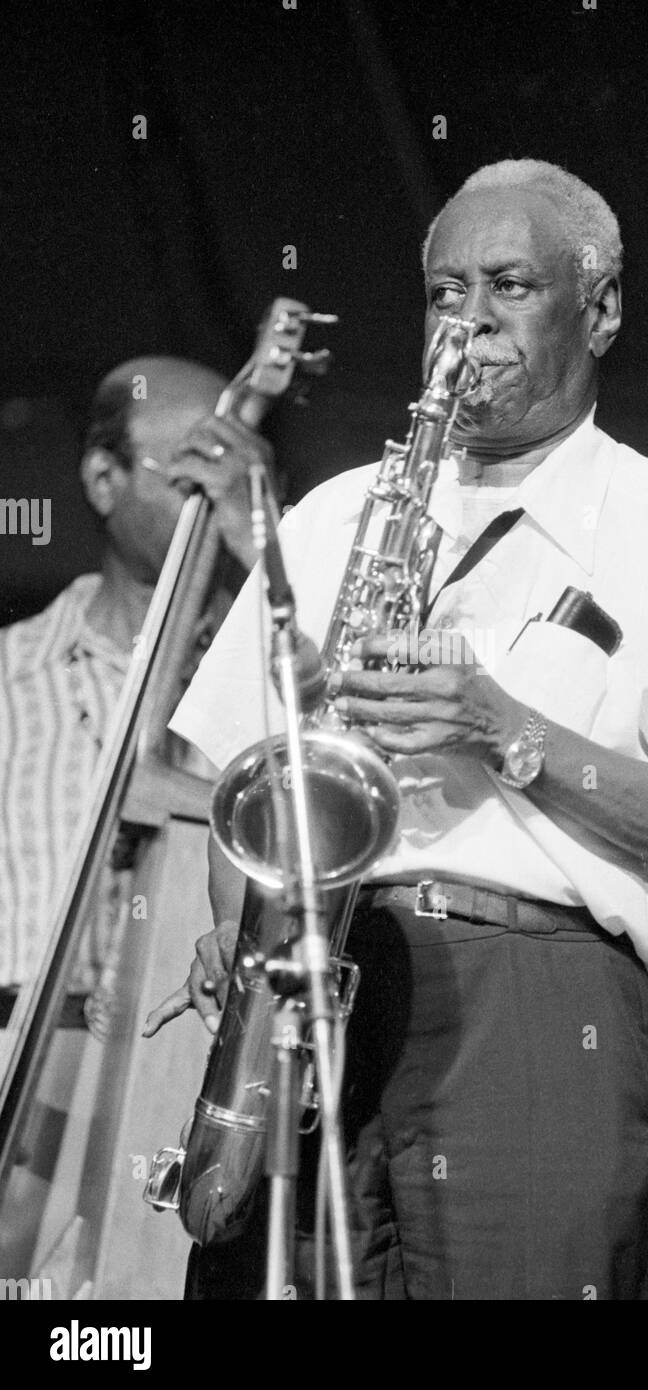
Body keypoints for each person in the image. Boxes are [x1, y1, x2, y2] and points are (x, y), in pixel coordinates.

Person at [151, 159, 648, 1300]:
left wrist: (508, 731)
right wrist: (244, 940)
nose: (470, 323)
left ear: (598, 312)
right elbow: (242, 781)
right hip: (316, 994)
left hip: (542, 1012)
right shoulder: (333, 513)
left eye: (509, 286)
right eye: (446, 292)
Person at [0, 355, 271, 1280]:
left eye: (239, 471)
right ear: (102, 479)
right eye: (194, 469)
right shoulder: (6, 678)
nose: (216, 493)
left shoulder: (272, 693)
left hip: (177, 1093)